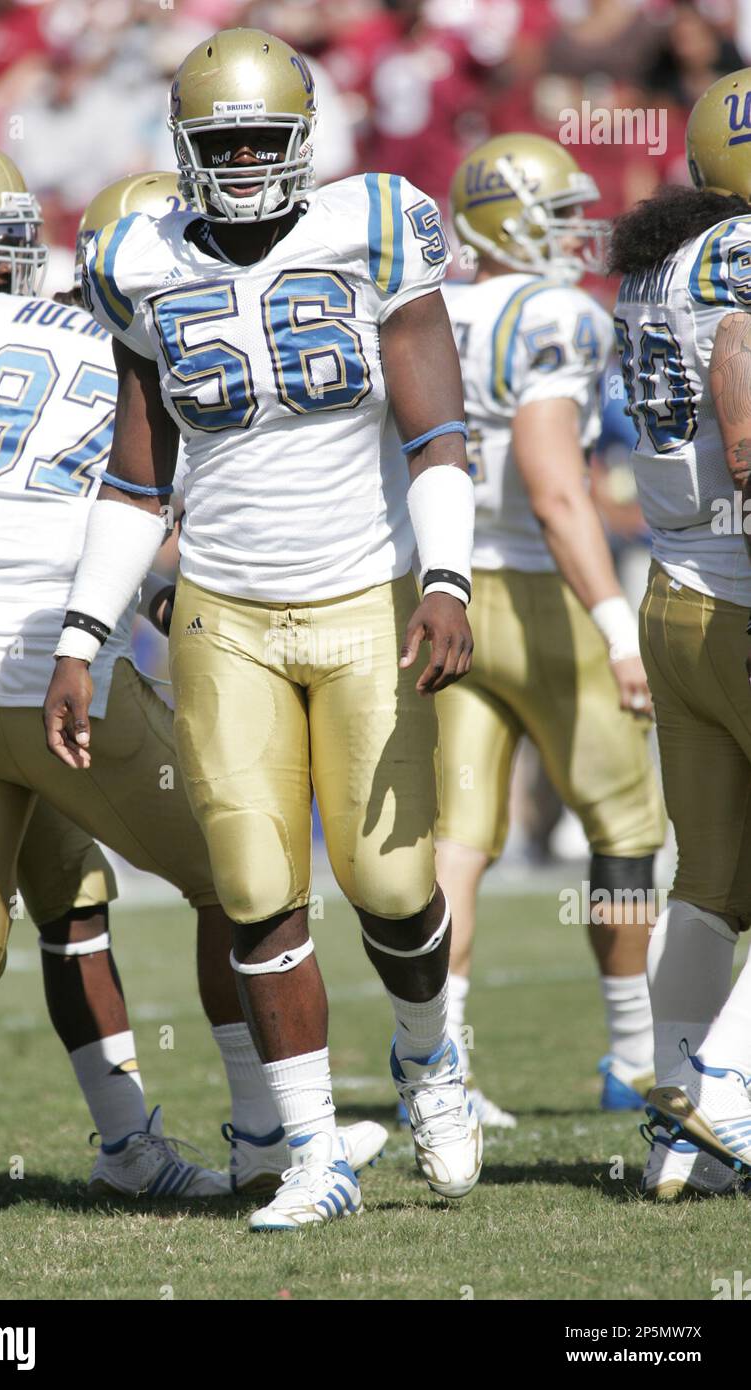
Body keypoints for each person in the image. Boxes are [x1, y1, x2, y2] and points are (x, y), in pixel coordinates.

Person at [0, 141, 385, 1227]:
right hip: (55, 673)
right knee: (242, 885)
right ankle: (270, 1135)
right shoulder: (175, 338)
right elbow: (156, 511)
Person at [45, 25, 482, 1232]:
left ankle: (429, 1057)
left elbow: (434, 432)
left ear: (302, 140)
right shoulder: (142, 254)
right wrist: (81, 637)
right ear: (182, 147)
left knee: (392, 880)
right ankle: (309, 1152)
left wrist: (444, 576)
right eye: (219, 142)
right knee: (250, 885)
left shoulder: (375, 226)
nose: (240, 161)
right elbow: (139, 482)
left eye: (259, 139)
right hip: (224, 610)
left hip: (364, 591)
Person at [431, 134, 666, 1133]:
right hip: (539, 595)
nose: (576, 235)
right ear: (505, 220)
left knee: (453, 843)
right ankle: (635, 1054)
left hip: (435, 592)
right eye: (557, 217)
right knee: (625, 828)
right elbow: (558, 489)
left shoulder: (420, 305)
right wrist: (616, 622)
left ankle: (440, 1066)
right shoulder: (558, 315)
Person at [611, 68, 751, 1196]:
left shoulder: (663, 259)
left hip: (673, 591)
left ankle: (676, 1137)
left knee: (710, 880)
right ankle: (730, 1094)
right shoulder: (740, 257)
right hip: (743, 590)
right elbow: (746, 425)